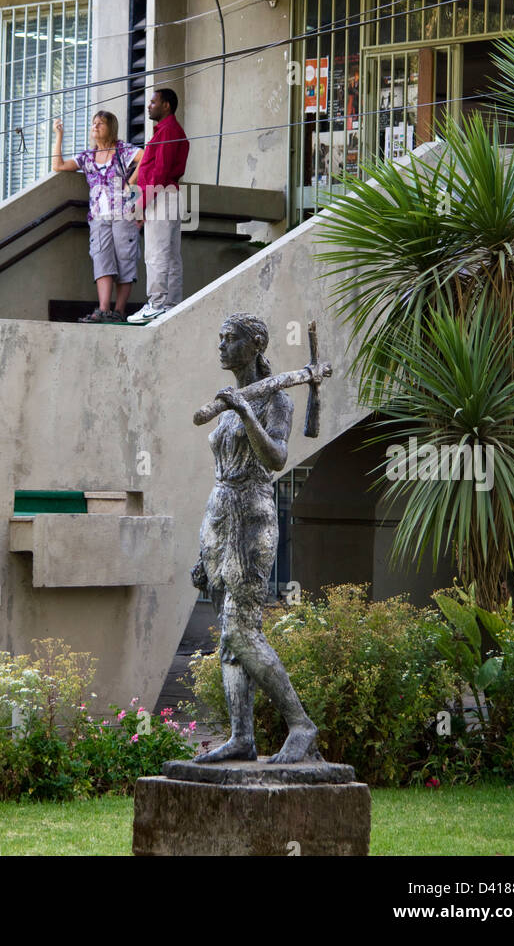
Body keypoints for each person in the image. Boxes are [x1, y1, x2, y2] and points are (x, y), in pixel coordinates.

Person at [192, 314, 320, 764]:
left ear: (255, 345)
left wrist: (246, 410)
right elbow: (219, 475)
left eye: (231, 339)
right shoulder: (229, 400)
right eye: (220, 337)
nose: (222, 345)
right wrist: (203, 547)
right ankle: (241, 735)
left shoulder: (273, 401)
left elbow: (277, 456)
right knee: (228, 635)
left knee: (244, 631)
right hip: (220, 518)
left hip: (252, 513)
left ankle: (301, 725)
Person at [52, 110, 143, 323]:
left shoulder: (123, 150)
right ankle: (103, 309)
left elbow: (146, 157)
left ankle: (119, 311)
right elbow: (58, 166)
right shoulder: (87, 157)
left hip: (123, 214)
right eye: (94, 124)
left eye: (100, 124)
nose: (95, 127)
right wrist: (59, 136)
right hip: (99, 217)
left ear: (110, 127)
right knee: (101, 258)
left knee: (125, 260)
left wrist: (132, 182)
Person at [126, 88, 189, 325]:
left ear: (166, 106)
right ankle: (171, 304)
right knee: (170, 254)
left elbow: (160, 172)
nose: (148, 105)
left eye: (153, 102)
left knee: (156, 253)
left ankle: (157, 304)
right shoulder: (169, 130)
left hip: (161, 195)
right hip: (167, 195)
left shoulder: (168, 131)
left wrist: (142, 203)